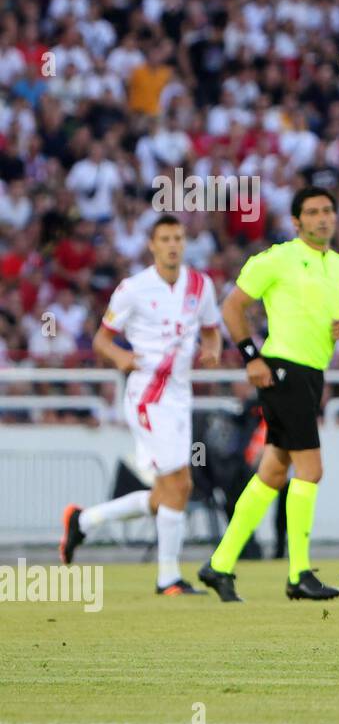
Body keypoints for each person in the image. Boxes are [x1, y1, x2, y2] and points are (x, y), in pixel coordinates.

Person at [198, 186, 339, 602]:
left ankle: (219, 565)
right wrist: (251, 357)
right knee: (311, 470)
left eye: (328, 210)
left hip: (312, 374)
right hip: (281, 370)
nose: (322, 218)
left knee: (273, 473)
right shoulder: (278, 258)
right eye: (312, 212)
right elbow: (231, 307)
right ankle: (298, 574)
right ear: (296, 221)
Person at [60, 214, 221, 595]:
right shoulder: (133, 289)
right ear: (151, 245)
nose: (172, 245)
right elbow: (102, 339)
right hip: (148, 396)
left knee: (170, 490)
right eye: (164, 238)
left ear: (184, 242)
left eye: (178, 238)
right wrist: (121, 358)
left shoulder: (201, 285)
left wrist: (212, 352)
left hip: (180, 397)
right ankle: (168, 579)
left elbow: (212, 331)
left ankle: (83, 521)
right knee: (180, 483)